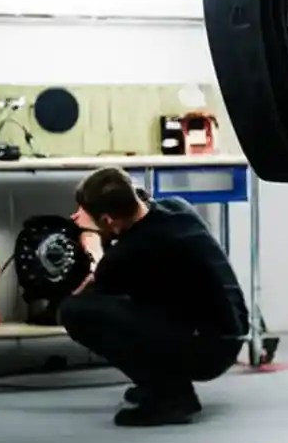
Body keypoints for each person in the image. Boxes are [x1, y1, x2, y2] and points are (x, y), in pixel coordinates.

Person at [58, 167, 248, 426]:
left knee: (75, 312)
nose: (75, 216)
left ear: (108, 220)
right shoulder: (175, 208)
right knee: (133, 306)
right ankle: (159, 381)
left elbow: (81, 294)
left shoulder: (132, 251)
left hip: (208, 351)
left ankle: (171, 396)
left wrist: (92, 244)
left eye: (83, 212)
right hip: (227, 333)